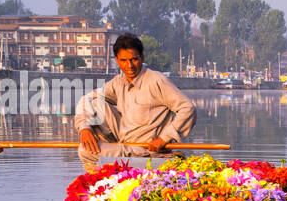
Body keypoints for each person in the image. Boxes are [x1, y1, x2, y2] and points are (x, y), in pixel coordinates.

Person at [74, 33, 197, 171]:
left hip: (147, 151)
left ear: (142, 57)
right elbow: (87, 100)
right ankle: (118, 162)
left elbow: (187, 108)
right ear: (117, 61)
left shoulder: (156, 81)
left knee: (84, 152)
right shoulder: (118, 83)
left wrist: (163, 138)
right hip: (124, 146)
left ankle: (122, 165)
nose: (130, 66)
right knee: (95, 102)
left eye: (134, 59)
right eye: (124, 60)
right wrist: (84, 128)